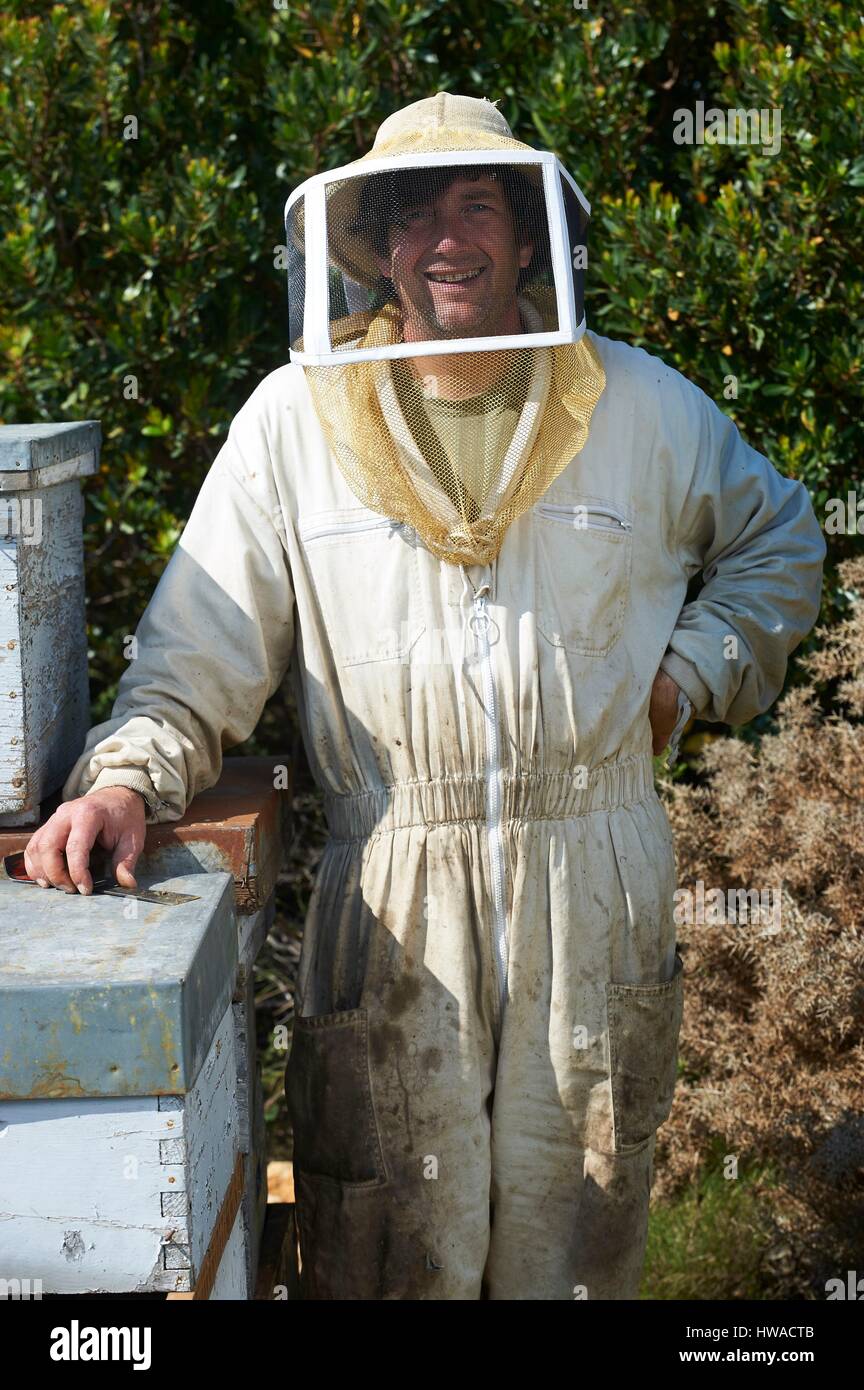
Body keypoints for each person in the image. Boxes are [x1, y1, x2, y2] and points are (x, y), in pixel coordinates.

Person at [24, 93, 826, 1300]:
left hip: (596, 873)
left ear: (530, 233)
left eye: (479, 204)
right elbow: (201, 650)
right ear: (374, 247)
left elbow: (783, 540)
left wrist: (685, 681)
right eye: (416, 215)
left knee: (576, 1245)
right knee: (394, 1246)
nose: (449, 239)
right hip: (392, 890)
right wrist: (132, 777)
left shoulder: (640, 405)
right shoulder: (291, 423)